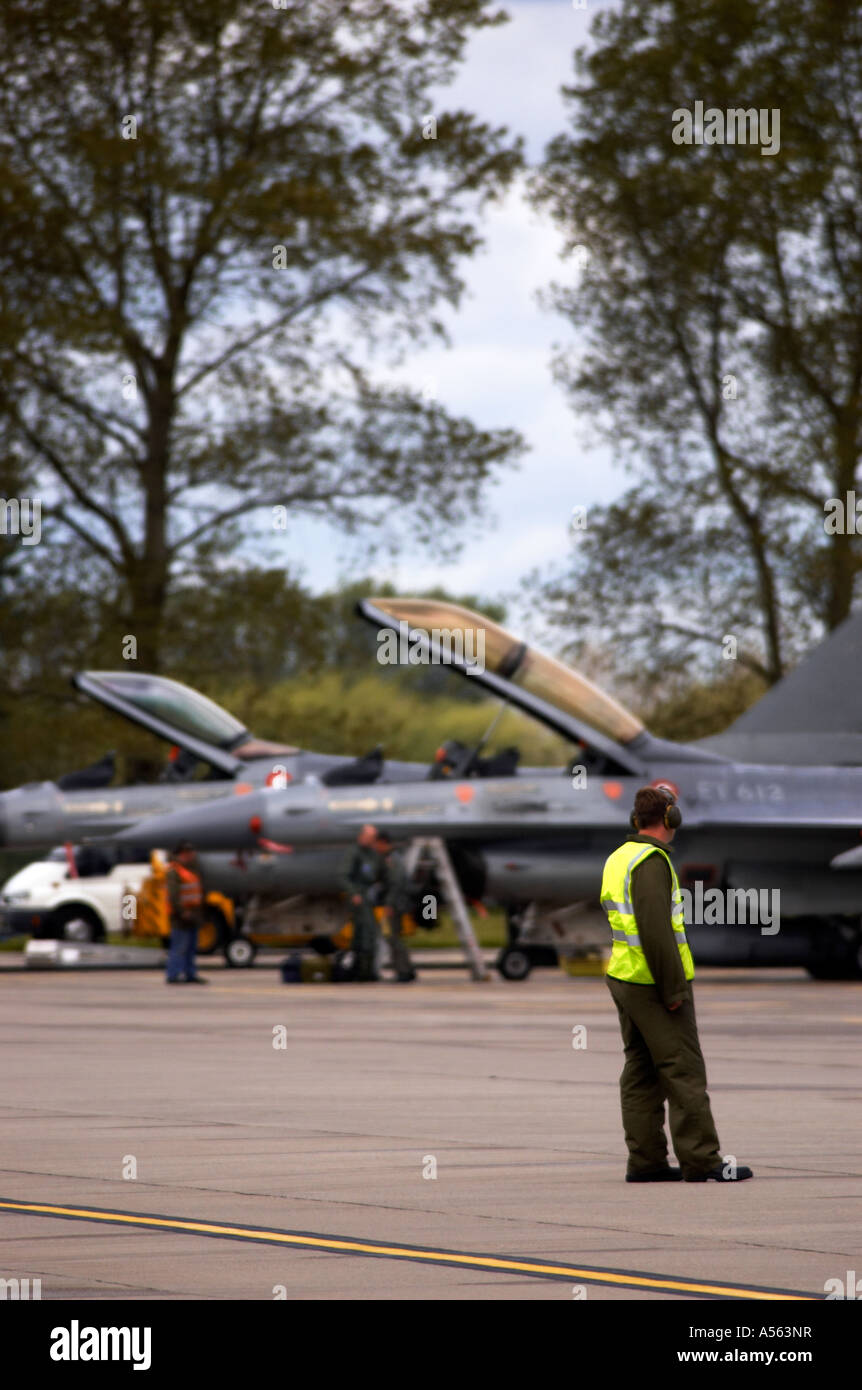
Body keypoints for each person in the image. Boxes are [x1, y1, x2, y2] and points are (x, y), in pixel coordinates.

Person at [600, 786, 752, 1182]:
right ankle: (702, 1160)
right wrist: (673, 991)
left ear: (636, 819)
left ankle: (646, 1162)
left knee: (641, 1069)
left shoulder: (619, 858)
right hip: (652, 982)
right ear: (671, 820)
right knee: (682, 1067)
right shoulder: (651, 861)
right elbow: (656, 933)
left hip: (625, 975)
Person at [340, 824, 386, 981]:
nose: (372, 840)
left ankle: (363, 971)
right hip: (359, 898)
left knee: (363, 933)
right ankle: (363, 972)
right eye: (370, 837)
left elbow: (379, 872)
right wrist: (353, 893)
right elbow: (343, 876)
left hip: (369, 897)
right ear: (362, 836)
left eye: (374, 837)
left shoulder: (372, 854)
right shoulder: (354, 853)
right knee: (366, 932)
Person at [375, 834, 418, 982]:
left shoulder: (392, 860)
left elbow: (395, 883)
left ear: (382, 843)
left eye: (377, 844)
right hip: (395, 904)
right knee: (393, 937)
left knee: (391, 937)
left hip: (394, 906)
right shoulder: (392, 858)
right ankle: (405, 970)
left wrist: (389, 904)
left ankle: (404, 971)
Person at [165, 841, 208, 984]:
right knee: (179, 947)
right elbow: (173, 895)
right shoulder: (174, 871)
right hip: (180, 916)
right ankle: (173, 975)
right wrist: (182, 912)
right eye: (186, 853)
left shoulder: (192, 869)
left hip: (193, 914)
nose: (190, 855)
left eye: (191, 853)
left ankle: (190, 974)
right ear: (179, 855)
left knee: (191, 947)